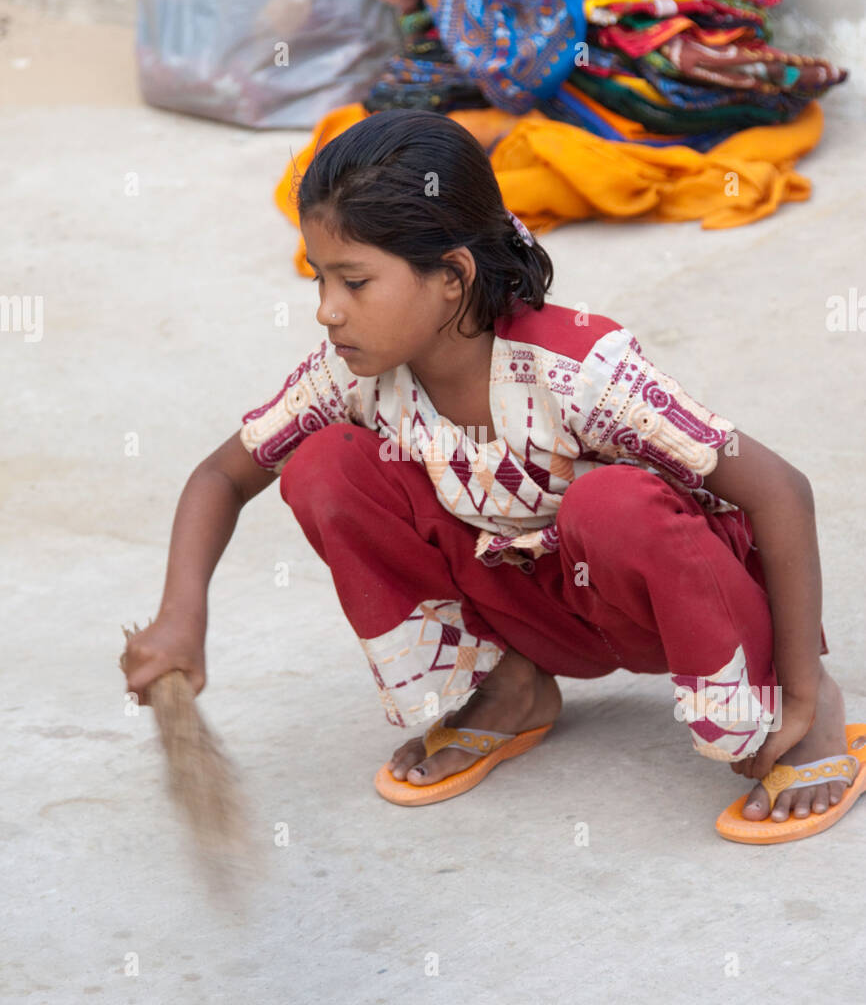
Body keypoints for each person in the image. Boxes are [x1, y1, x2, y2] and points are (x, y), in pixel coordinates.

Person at [122, 110, 863, 842]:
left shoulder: (580, 373)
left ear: (452, 275)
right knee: (324, 467)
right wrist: (183, 612)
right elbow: (222, 475)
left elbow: (779, 490)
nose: (327, 311)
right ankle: (507, 688)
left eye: (354, 281)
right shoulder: (351, 378)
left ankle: (805, 709)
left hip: (655, 610)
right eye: (321, 279)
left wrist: (804, 686)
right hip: (534, 614)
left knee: (609, 502)